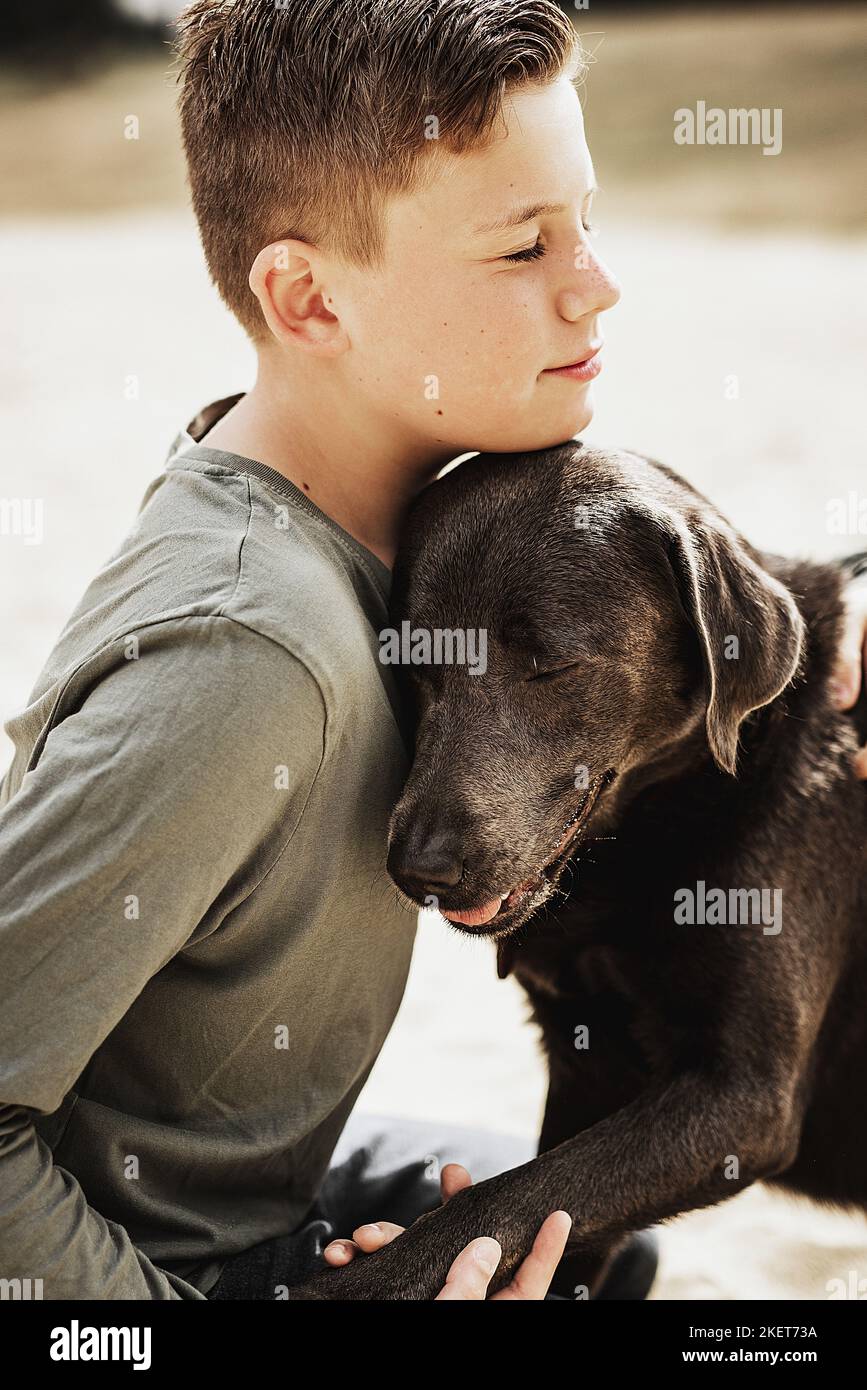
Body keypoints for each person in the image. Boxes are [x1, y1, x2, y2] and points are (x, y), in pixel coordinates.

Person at [1, 0, 865, 1303]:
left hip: (254, 1181)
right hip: (145, 1267)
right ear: (306, 296)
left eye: (588, 221)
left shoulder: (336, 500)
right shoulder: (254, 660)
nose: (597, 283)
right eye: (523, 246)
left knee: (588, 1255)